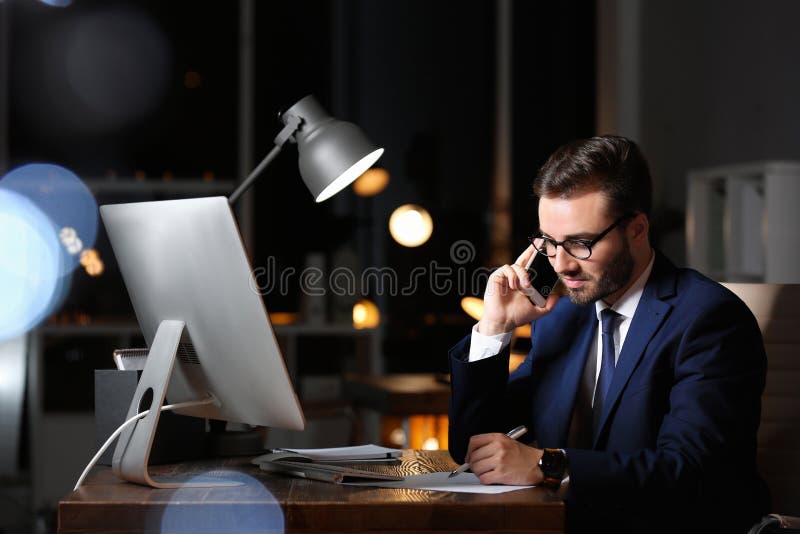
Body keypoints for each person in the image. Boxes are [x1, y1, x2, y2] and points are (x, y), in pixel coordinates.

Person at [448, 135, 769, 533]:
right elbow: (474, 449)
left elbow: (689, 472)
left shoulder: (710, 319)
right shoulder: (562, 319)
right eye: (548, 242)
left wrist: (546, 464)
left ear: (636, 228)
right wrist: (494, 330)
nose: (561, 265)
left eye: (580, 244)